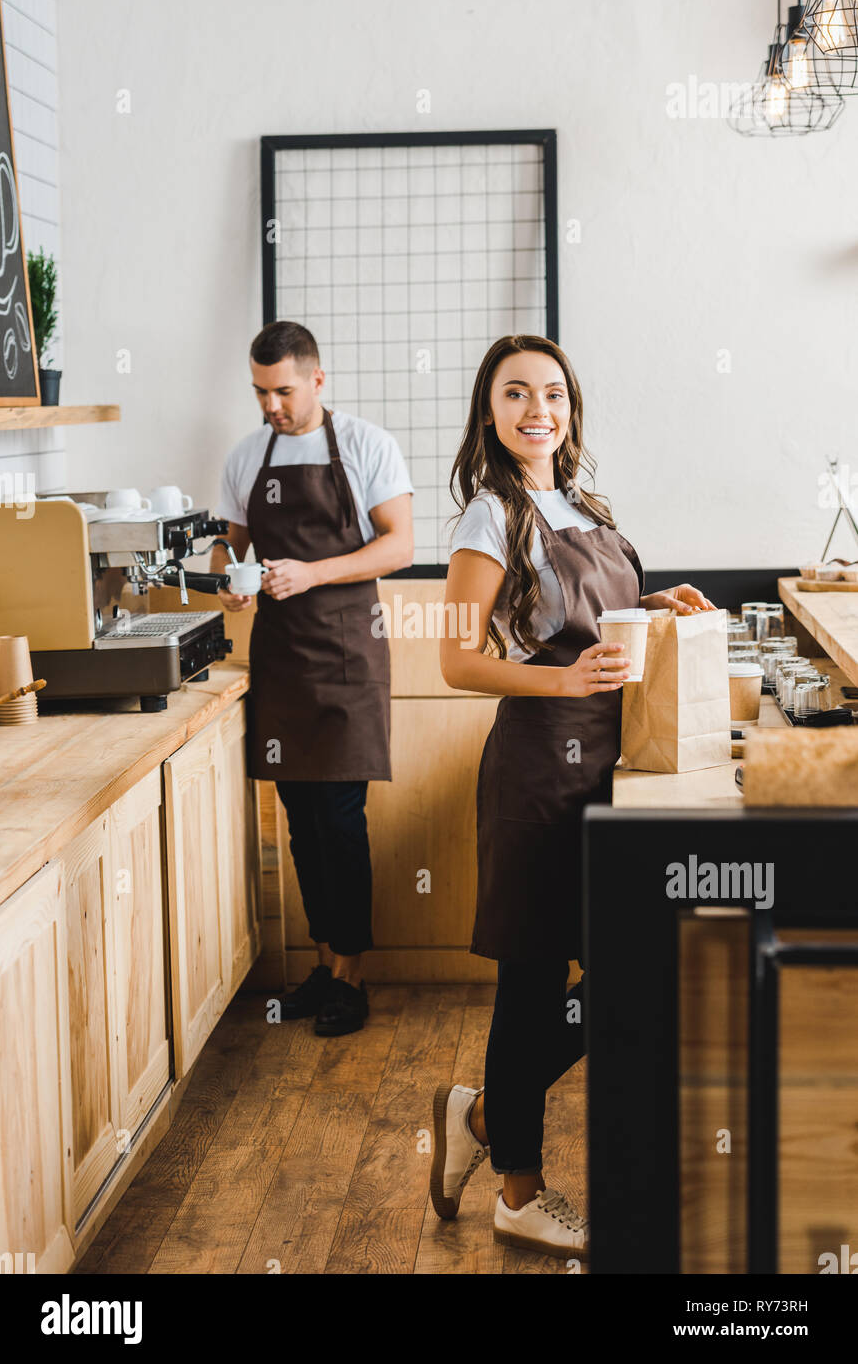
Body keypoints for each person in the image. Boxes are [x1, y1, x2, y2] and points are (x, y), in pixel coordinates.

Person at [428, 334, 715, 1258]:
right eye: (514, 394)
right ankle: (517, 1187)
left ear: (570, 408)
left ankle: (481, 1119)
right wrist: (560, 682)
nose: (535, 409)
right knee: (533, 980)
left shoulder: (584, 504)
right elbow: (454, 659)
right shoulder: (488, 517)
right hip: (536, 775)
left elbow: (600, 625)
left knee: (629, 971)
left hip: (607, 766)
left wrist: (659, 602)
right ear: (489, 412)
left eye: (550, 393)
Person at [214, 321, 414, 1036]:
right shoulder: (247, 456)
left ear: (317, 380)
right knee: (301, 823)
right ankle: (326, 965)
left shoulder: (364, 445)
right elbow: (227, 548)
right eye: (260, 392)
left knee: (338, 818)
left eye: (283, 391)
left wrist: (312, 572)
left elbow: (401, 543)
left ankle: (353, 978)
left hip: (348, 656)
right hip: (281, 656)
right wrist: (227, 584)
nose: (271, 405)